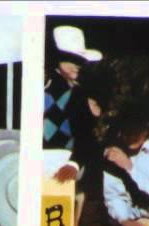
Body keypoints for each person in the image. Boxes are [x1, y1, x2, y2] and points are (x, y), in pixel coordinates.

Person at [44, 26, 104, 185]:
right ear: (57, 58)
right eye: (71, 59)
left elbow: (85, 136)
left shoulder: (78, 94)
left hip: (64, 166)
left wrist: (73, 164)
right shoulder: (37, 89)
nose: (78, 65)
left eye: (81, 61)